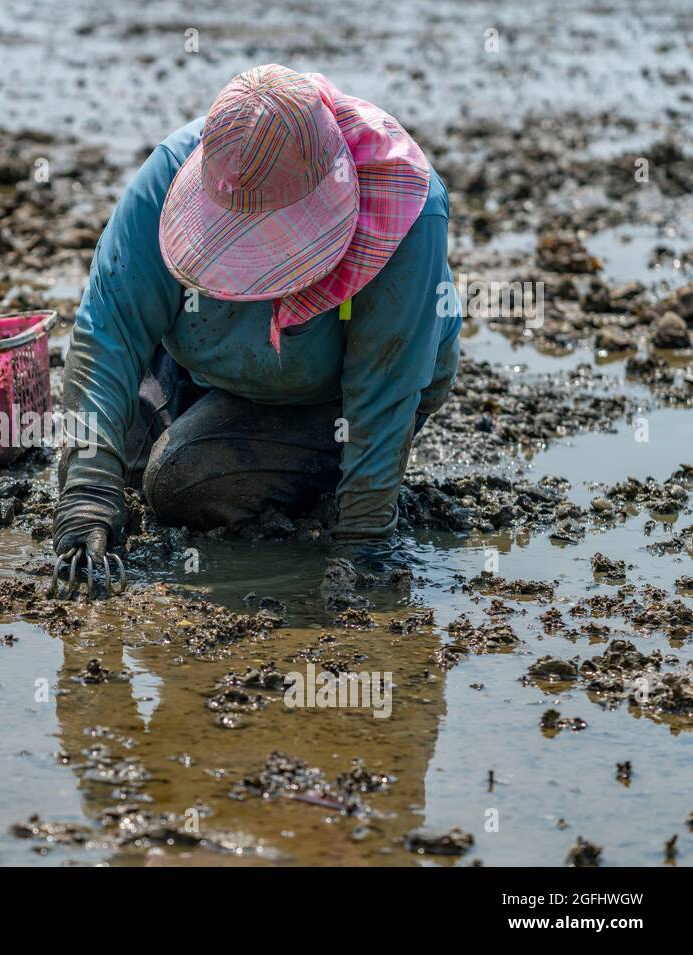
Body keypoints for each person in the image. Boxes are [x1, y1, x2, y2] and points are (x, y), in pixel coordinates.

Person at [53, 64, 462, 595]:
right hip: (205, 364)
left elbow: (384, 390)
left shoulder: (405, 210)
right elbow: (109, 331)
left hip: (336, 394)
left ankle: (303, 465)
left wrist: (362, 541)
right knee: (109, 460)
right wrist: (86, 500)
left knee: (181, 479)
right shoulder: (174, 171)